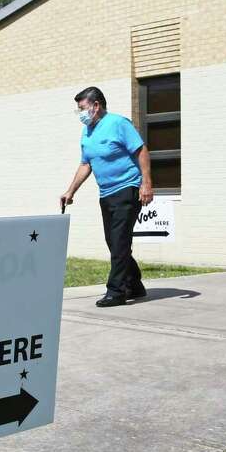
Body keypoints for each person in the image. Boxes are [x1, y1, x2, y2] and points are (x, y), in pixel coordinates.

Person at [59, 86, 154, 308]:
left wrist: (146, 184)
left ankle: (116, 291)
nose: (80, 113)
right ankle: (135, 285)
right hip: (106, 193)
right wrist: (70, 191)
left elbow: (141, 151)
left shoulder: (118, 124)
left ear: (96, 105)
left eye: (82, 108)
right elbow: (85, 164)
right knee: (113, 242)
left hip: (128, 189)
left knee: (120, 242)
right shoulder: (88, 132)